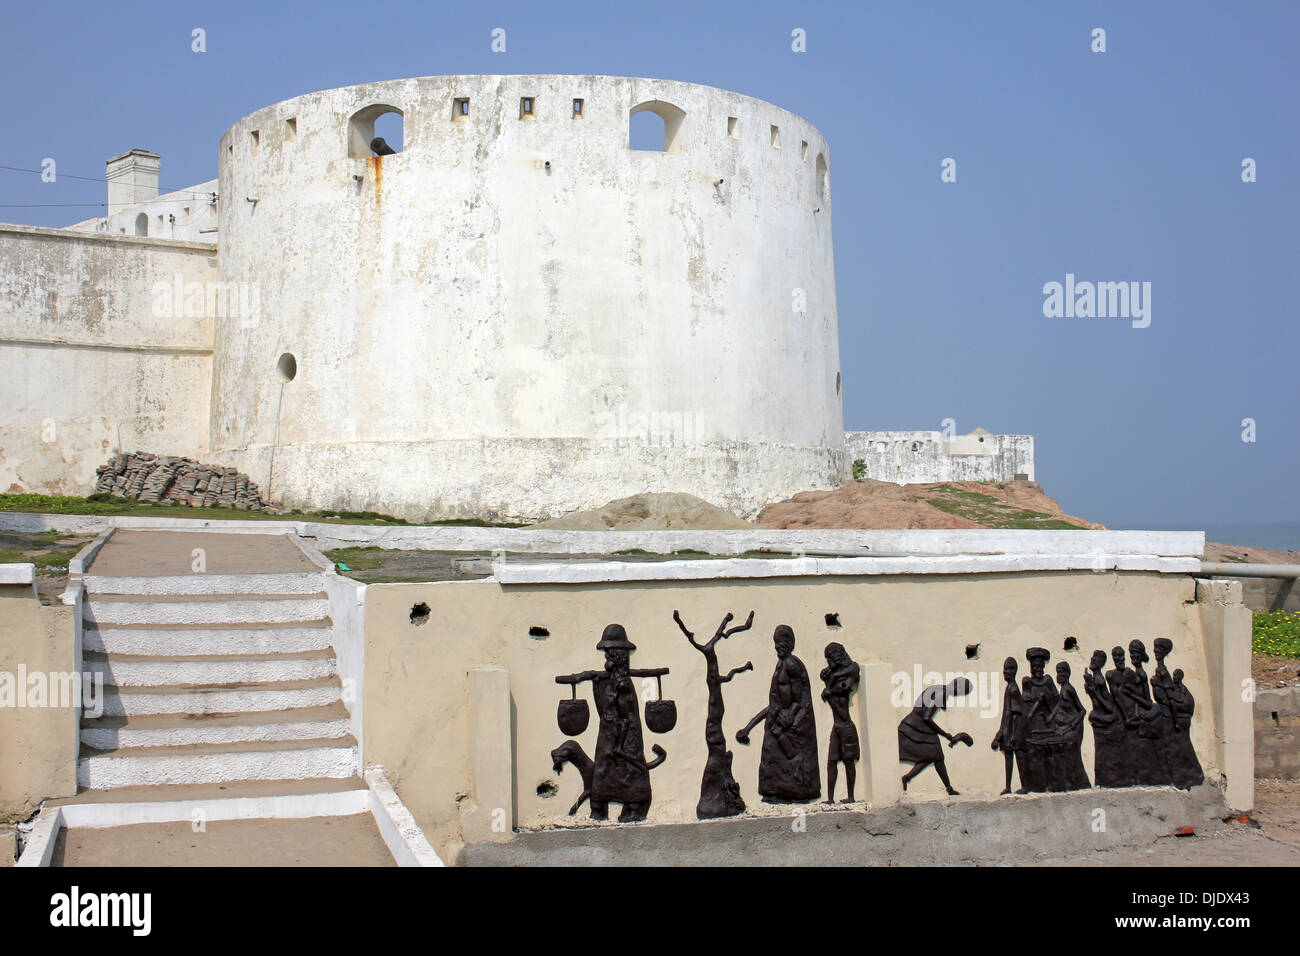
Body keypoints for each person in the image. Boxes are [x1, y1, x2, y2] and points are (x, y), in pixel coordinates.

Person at [736, 625, 820, 802]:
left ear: (789, 643)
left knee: (788, 760)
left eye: (780, 642)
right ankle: (775, 793)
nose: (776, 646)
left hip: (787, 724)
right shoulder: (782, 663)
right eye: (775, 643)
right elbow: (773, 705)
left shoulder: (791, 664)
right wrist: (748, 728)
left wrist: (790, 716)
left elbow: (799, 699)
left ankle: (795, 792)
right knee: (771, 759)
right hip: (778, 721)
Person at [898, 677, 974, 795]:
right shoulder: (942, 693)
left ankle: (907, 778)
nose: (959, 695)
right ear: (957, 687)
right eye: (961, 692)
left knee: (933, 756)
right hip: (916, 727)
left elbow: (926, 704)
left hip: (915, 725)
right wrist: (946, 735)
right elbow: (927, 717)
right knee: (937, 757)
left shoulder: (939, 688)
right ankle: (948, 789)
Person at [819, 642, 861, 803]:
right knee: (832, 761)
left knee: (848, 761)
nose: (828, 661)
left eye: (830, 658)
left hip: (846, 726)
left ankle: (851, 796)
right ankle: (830, 798)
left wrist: (831, 686)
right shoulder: (833, 678)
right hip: (838, 727)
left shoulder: (846, 679)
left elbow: (853, 669)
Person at [1083, 649, 1126, 787]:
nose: (1092, 660)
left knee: (1105, 757)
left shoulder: (1099, 680)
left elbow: (1108, 706)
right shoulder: (1095, 678)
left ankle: (1108, 782)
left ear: (1100, 663)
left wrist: (1094, 692)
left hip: (1107, 721)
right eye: (1092, 657)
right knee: (1102, 757)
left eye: (1095, 659)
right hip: (1101, 721)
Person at [1046, 661, 1091, 791]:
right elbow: (1059, 705)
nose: (1059, 675)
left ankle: (1077, 783)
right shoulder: (1063, 689)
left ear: (1067, 674)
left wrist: (1071, 726)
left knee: (1070, 754)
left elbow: (1082, 710)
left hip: (1074, 729)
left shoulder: (1069, 689)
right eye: (1058, 672)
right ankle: (1065, 781)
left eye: (1062, 672)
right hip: (1066, 727)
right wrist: (1050, 718)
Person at [1019, 647, 1059, 792]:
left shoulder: (1048, 681)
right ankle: (1035, 785)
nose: (1037, 668)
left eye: (1040, 665)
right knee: (1035, 757)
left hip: (1048, 725)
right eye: (1034, 665)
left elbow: (1057, 702)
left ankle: (1052, 783)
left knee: (1050, 758)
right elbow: (1027, 708)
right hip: (1034, 727)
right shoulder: (1027, 682)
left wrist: (1051, 717)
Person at [990, 656, 1027, 795]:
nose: (1005, 672)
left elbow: (1016, 714)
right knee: (1009, 758)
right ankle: (1008, 786)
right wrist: (999, 735)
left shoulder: (1014, 689)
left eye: (1008, 669)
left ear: (1013, 671)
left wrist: (1013, 735)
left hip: (1013, 731)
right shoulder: (1009, 687)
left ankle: (1024, 785)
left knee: (1018, 758)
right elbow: (1006, 714)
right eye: (1004, 669)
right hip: (1007, 730)